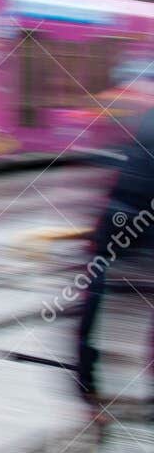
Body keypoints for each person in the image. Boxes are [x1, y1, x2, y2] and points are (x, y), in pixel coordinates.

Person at [72, 104, 154, 416]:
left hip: (116, 217)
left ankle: (86, 379)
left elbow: (105, 160)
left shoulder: (139, 118)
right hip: (137, 219)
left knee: (94, 287)